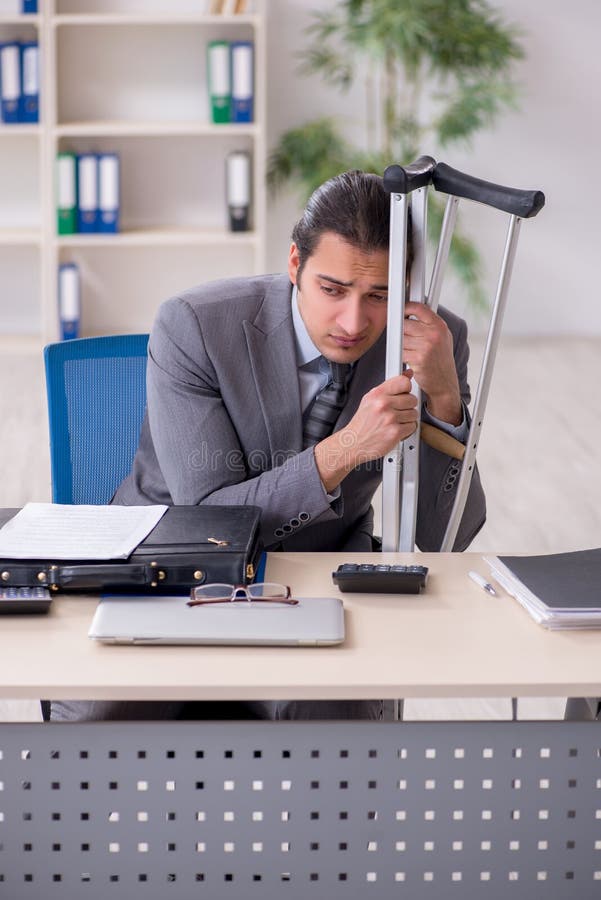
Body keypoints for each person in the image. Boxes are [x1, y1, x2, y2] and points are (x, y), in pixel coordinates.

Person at [51, 170, 485, 723]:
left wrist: (446, 399)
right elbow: (208, 518)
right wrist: (346, 448)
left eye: (379, 295)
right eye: (333, 290)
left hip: (315, 576)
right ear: (294, 266)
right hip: (170, 571)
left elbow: (448, 537)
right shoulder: (195, 324)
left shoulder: (433, 342)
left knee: (337, 718)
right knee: (101, 716)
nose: (354, 322)